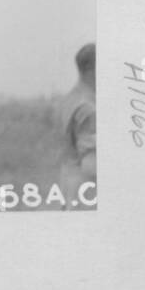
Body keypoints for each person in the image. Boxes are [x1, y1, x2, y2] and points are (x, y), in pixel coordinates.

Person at [57, 43, 96, 208]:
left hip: (66, 185)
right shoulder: (88, 107)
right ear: (91, 70)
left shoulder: (68, 100)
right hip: (86, 191)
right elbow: (91, 164)